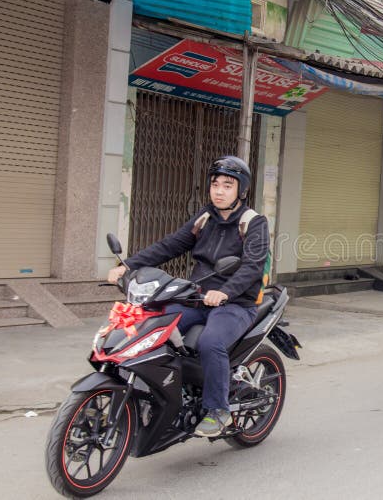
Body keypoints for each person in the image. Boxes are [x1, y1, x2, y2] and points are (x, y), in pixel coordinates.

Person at [107, 156, 269, 437]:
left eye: (227, 186)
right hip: (196, 297)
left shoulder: (253, 223)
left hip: (237, 302)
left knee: (211, 341)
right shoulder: (205, 217)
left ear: (241, 190)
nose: (218, 191)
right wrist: (129, 265)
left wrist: (225, 292)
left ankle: (219, 410)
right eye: (215, 184)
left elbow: (253, 266)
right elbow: (171, 244)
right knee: (152, 326)